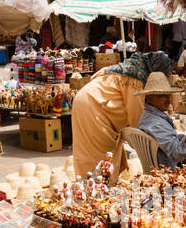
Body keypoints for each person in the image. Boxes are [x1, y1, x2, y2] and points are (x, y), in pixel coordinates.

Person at [70, 50, 174, 178]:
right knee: (98, 155)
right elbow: (138, 119)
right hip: (94, 105)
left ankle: (95, 187)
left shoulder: (131, 68)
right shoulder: (135, 78)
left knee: (99, 153)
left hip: (89, 101)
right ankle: (95, 190)